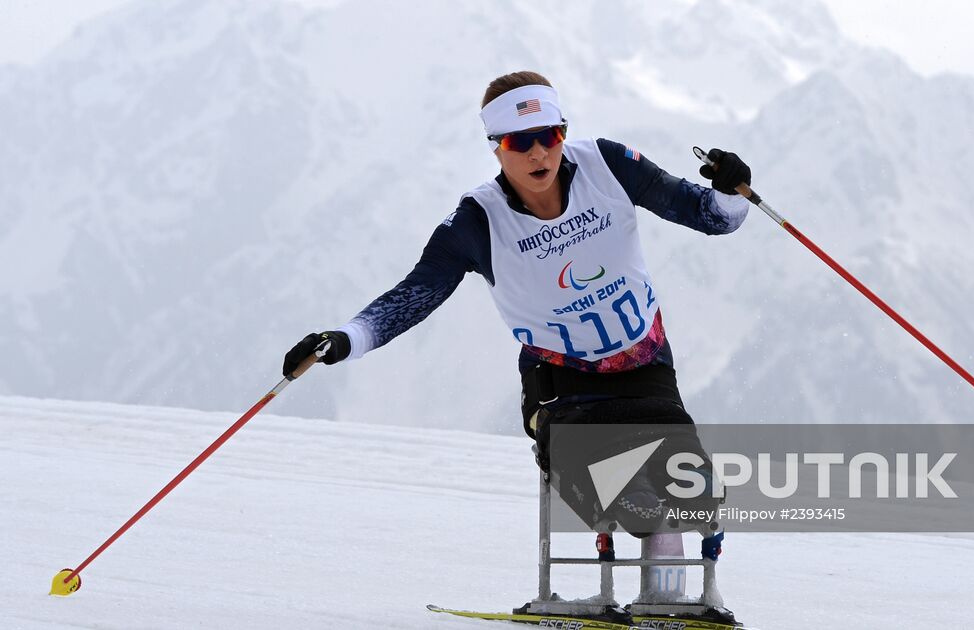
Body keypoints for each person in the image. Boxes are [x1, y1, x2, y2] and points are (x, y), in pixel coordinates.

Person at [282, 68, 751, 590]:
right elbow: (414, 295)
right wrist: (343, 340)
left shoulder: (609, 165)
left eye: (549, 136)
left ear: (562, 133)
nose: (538, 154)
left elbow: (711, 217)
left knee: (685, 493)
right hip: (563, 387)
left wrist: (731, 190)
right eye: (518, 142)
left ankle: (670, 608)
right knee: (636, 500)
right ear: (496, 148)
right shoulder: (477, 221)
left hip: (645, 368)